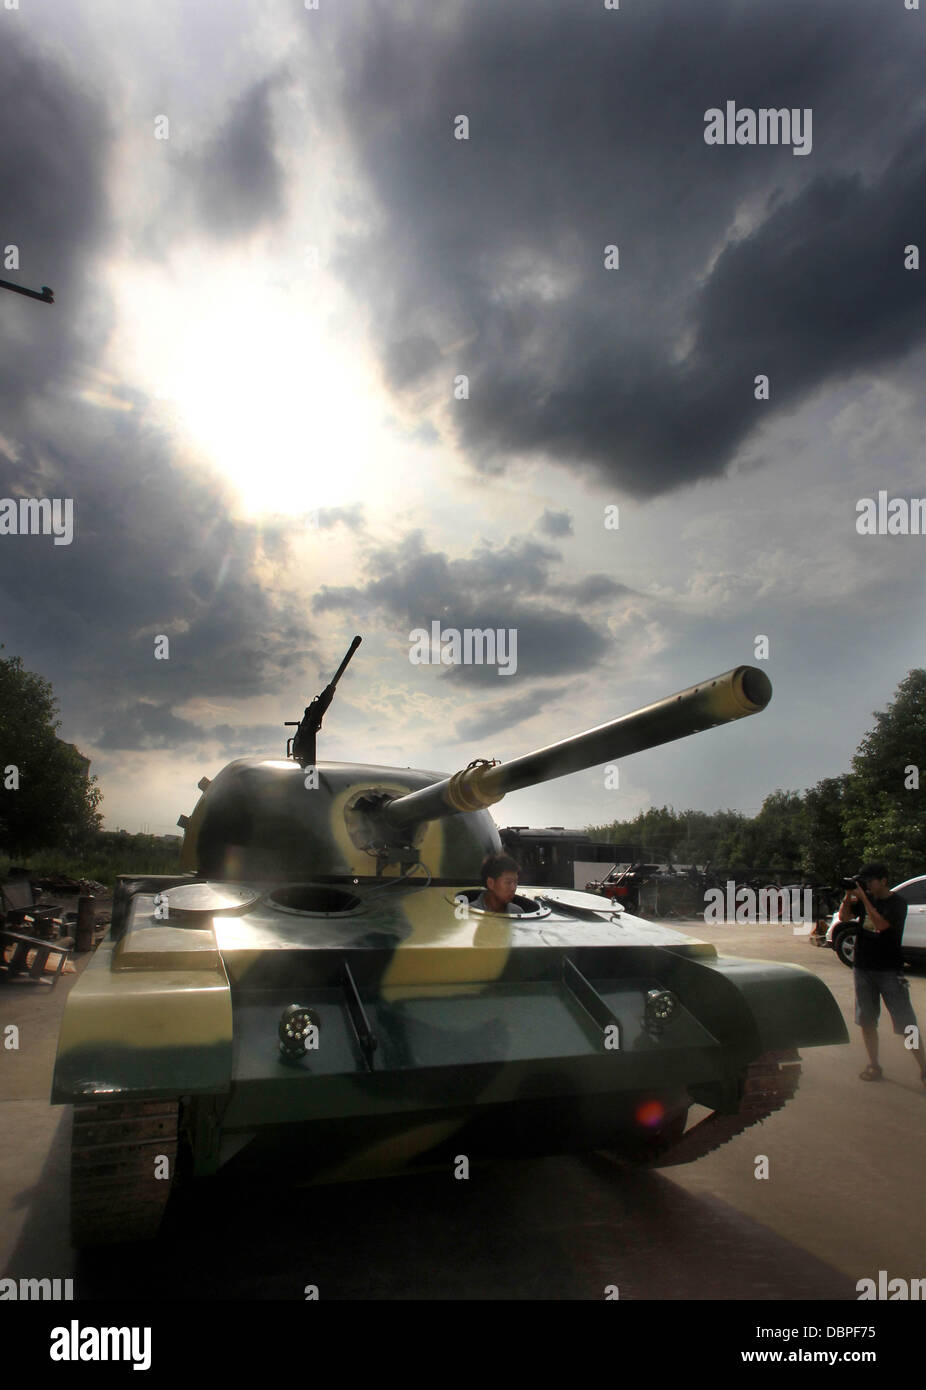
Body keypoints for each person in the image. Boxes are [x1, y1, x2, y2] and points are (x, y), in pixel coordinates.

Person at [837, 862, 926, 1085]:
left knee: (906, 1023)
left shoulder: (897, 903)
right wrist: (849, 896)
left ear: (883, 880)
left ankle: (924, 1066)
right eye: (864, 881)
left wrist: (865, 899)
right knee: (867, 1020)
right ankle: (874, 1064)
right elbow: (844, 917)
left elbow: (881, 925)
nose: (866, 885)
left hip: (889, 970)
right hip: (863, 967)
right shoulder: (865, 898)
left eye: (870, 881)